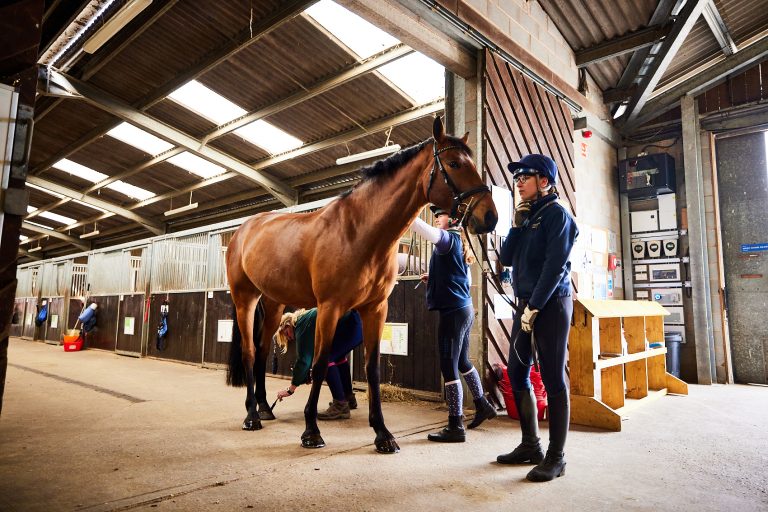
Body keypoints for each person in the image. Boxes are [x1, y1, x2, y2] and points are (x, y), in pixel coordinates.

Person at [498, 154, 578, 482]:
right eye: (516, 179)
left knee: (553, 378)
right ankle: (530, 445)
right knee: (517, 371)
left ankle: (556, 458)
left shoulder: (558, 216)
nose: (518, 183)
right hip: (526, 304)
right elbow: (505, 258)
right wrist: (515, 226)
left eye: (524, 177)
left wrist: (535, 307)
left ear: (544, 181)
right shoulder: (529, 217)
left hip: (552, 305)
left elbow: (554, 266)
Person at [409, 206, 497, 443]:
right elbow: (463, 280)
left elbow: (419, 227)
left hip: (453, 313)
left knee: (448, 366)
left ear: (454, 219)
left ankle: (455, 424)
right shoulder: (458, 244)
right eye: (436, 215)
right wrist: (435, 278)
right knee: (462, 361)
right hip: (463, 308)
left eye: (441, 215)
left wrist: (407, 212)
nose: (437, 218)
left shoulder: (448, 239)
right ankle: (482, 404)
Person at [275, 308, 362, 420]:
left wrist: (290, 389)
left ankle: (340, 405)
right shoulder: (306, 318)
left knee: (325, 361)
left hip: (351, 327)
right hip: (357, 324)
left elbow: (303, 361)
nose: (289, 338)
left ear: (287, 324)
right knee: (338, 358)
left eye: (286, 334)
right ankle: (348, 398)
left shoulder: (301, 326)